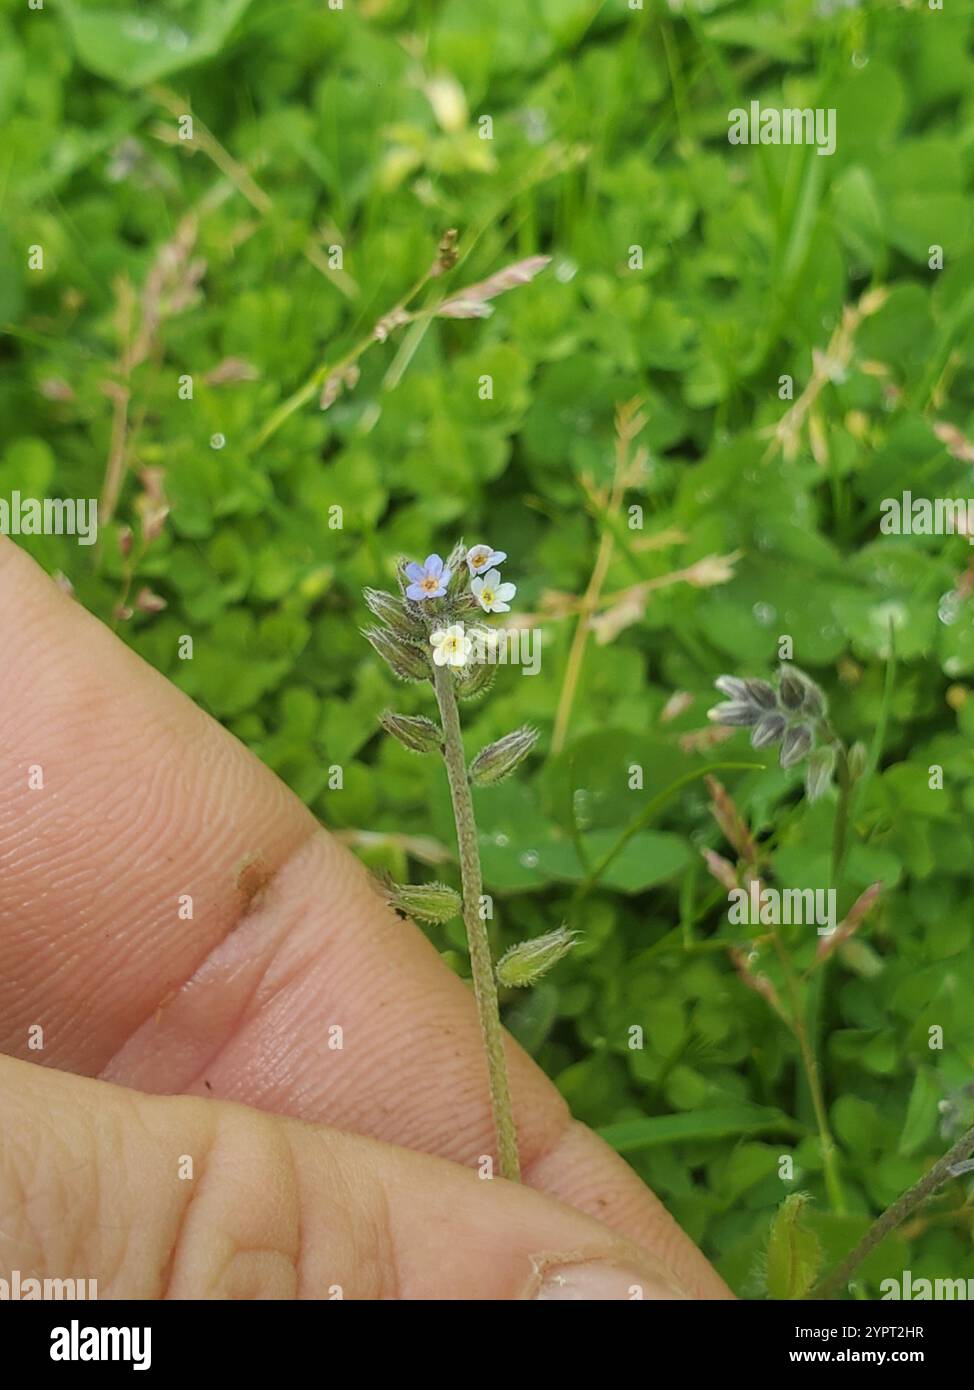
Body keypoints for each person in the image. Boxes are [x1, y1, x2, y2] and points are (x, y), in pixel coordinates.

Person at [0, 539, 729, 1300]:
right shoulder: (438, 651)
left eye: (458, 591)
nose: (447, 596)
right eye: (440, 588)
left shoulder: (458, 650)